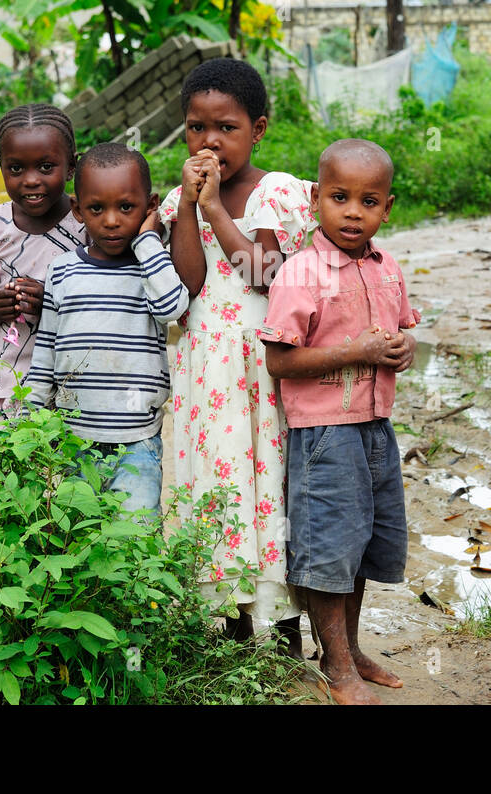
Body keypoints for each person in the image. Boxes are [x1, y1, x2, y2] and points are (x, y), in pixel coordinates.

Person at [159, 57, 316, 641]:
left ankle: (280, 618)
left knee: (269, 475)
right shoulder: (186, 197)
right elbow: (189, 283)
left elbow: (263, 272)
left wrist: (216, 209)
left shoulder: (275, 191)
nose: (210, 140)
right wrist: (187, 207)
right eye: (197, 128)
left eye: (226, 127)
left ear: (259, 129)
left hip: (262, 359)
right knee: (219, 476)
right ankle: (230, 611)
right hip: (207, 363)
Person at [260, 139, 418, 705]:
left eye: (369, 201)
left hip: (376, 428)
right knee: (328, 549)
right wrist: (355, 351)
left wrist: (403, 350)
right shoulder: (300, 273)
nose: (353, 211)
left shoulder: (387, 266)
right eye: (339, 197)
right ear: (315, 199)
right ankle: (338, 666)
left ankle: (346, 651)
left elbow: (401, 335)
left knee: (361, 547)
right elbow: (280, 359)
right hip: (325, 435)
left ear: (388, 207)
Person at [25, 143, 188, 518]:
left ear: (150, 206)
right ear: (78, 209)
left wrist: (148, 240)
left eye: (126, 208)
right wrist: (29, 413)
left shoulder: (151, 267)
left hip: (137, 440)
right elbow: (47, 347)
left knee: (135, 540)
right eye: (97, 209)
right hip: (75, 437)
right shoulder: (62, 270)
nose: (112, 220)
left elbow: (172, 308)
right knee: (79, 539)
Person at [0, 104, 85, 424]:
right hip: (1, 380)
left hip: (67, 381)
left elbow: (105, 307)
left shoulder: (89, 224)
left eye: (45, 166)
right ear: (0, 168)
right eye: (15, 169)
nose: (31, 180)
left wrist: (50, 302)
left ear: (70, 168)